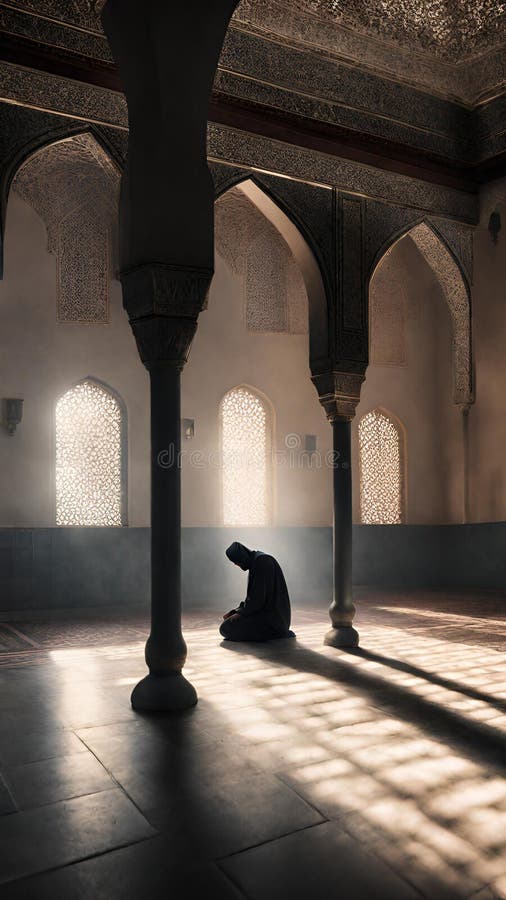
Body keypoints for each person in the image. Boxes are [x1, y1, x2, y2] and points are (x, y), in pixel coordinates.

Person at [220, 542, 294, 642]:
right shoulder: (257, 562)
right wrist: (236, 611)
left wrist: (241, 613)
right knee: (228, 624)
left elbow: (258, 599)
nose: (236, 564)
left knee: (226, 628)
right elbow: (254, 598)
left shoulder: (262, 562)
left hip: (273, 621)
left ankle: (275, 634)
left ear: (241, 556)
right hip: (267, 615)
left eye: (236, 561)